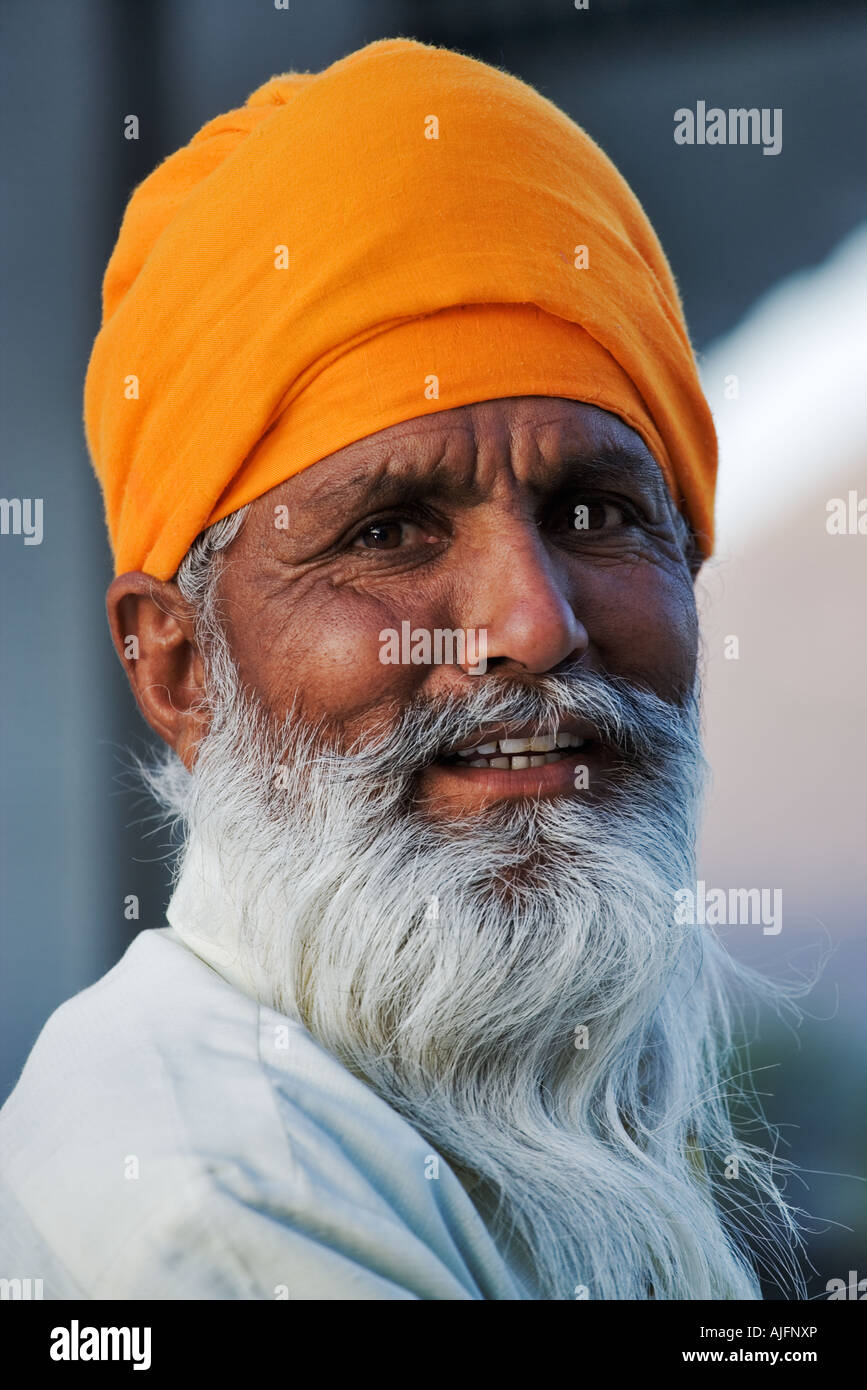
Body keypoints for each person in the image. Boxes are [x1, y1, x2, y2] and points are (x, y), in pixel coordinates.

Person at [0, 37, 801, 1300]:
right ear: (181, 667)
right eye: (388, 530)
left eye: (596, 513)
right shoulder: (212, 1203)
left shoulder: (519, 1112)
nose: (532, 627)